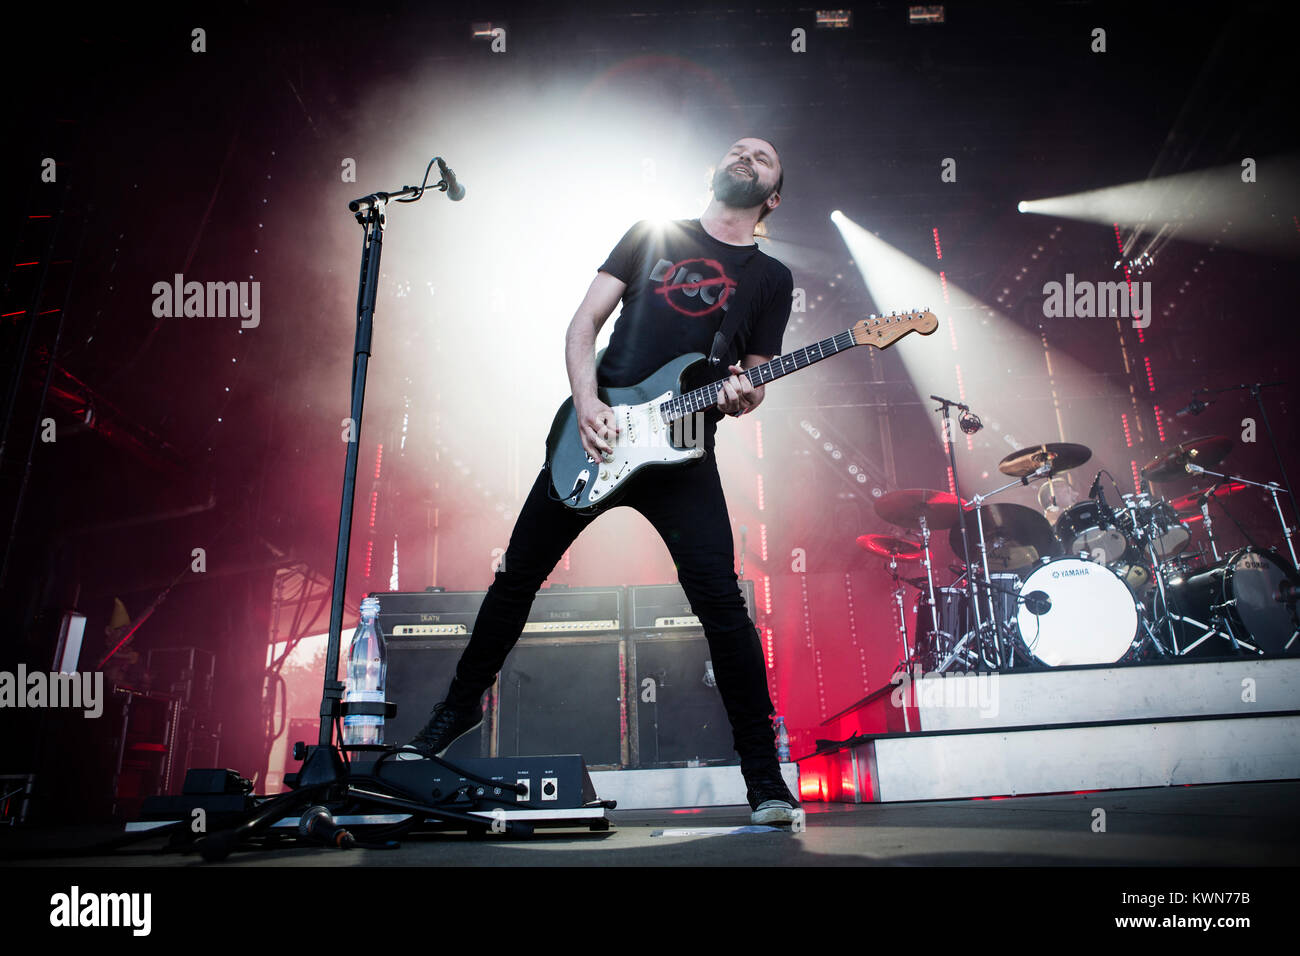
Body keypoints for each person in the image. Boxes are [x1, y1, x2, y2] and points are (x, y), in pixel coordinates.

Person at [403, 137, 799, 825]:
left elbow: (754, 375)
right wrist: (587, 404)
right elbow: (584, 323)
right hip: (600, 434)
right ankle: (454, 712)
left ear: (773, 197)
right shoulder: (650, 235)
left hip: (682, 452)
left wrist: (744, 393)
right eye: (737, 148)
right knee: (517, 576)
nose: (745, 155)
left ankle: (764, 781)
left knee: (723, 608)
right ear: (714, 169)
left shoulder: (771, 279)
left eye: (762, 157)